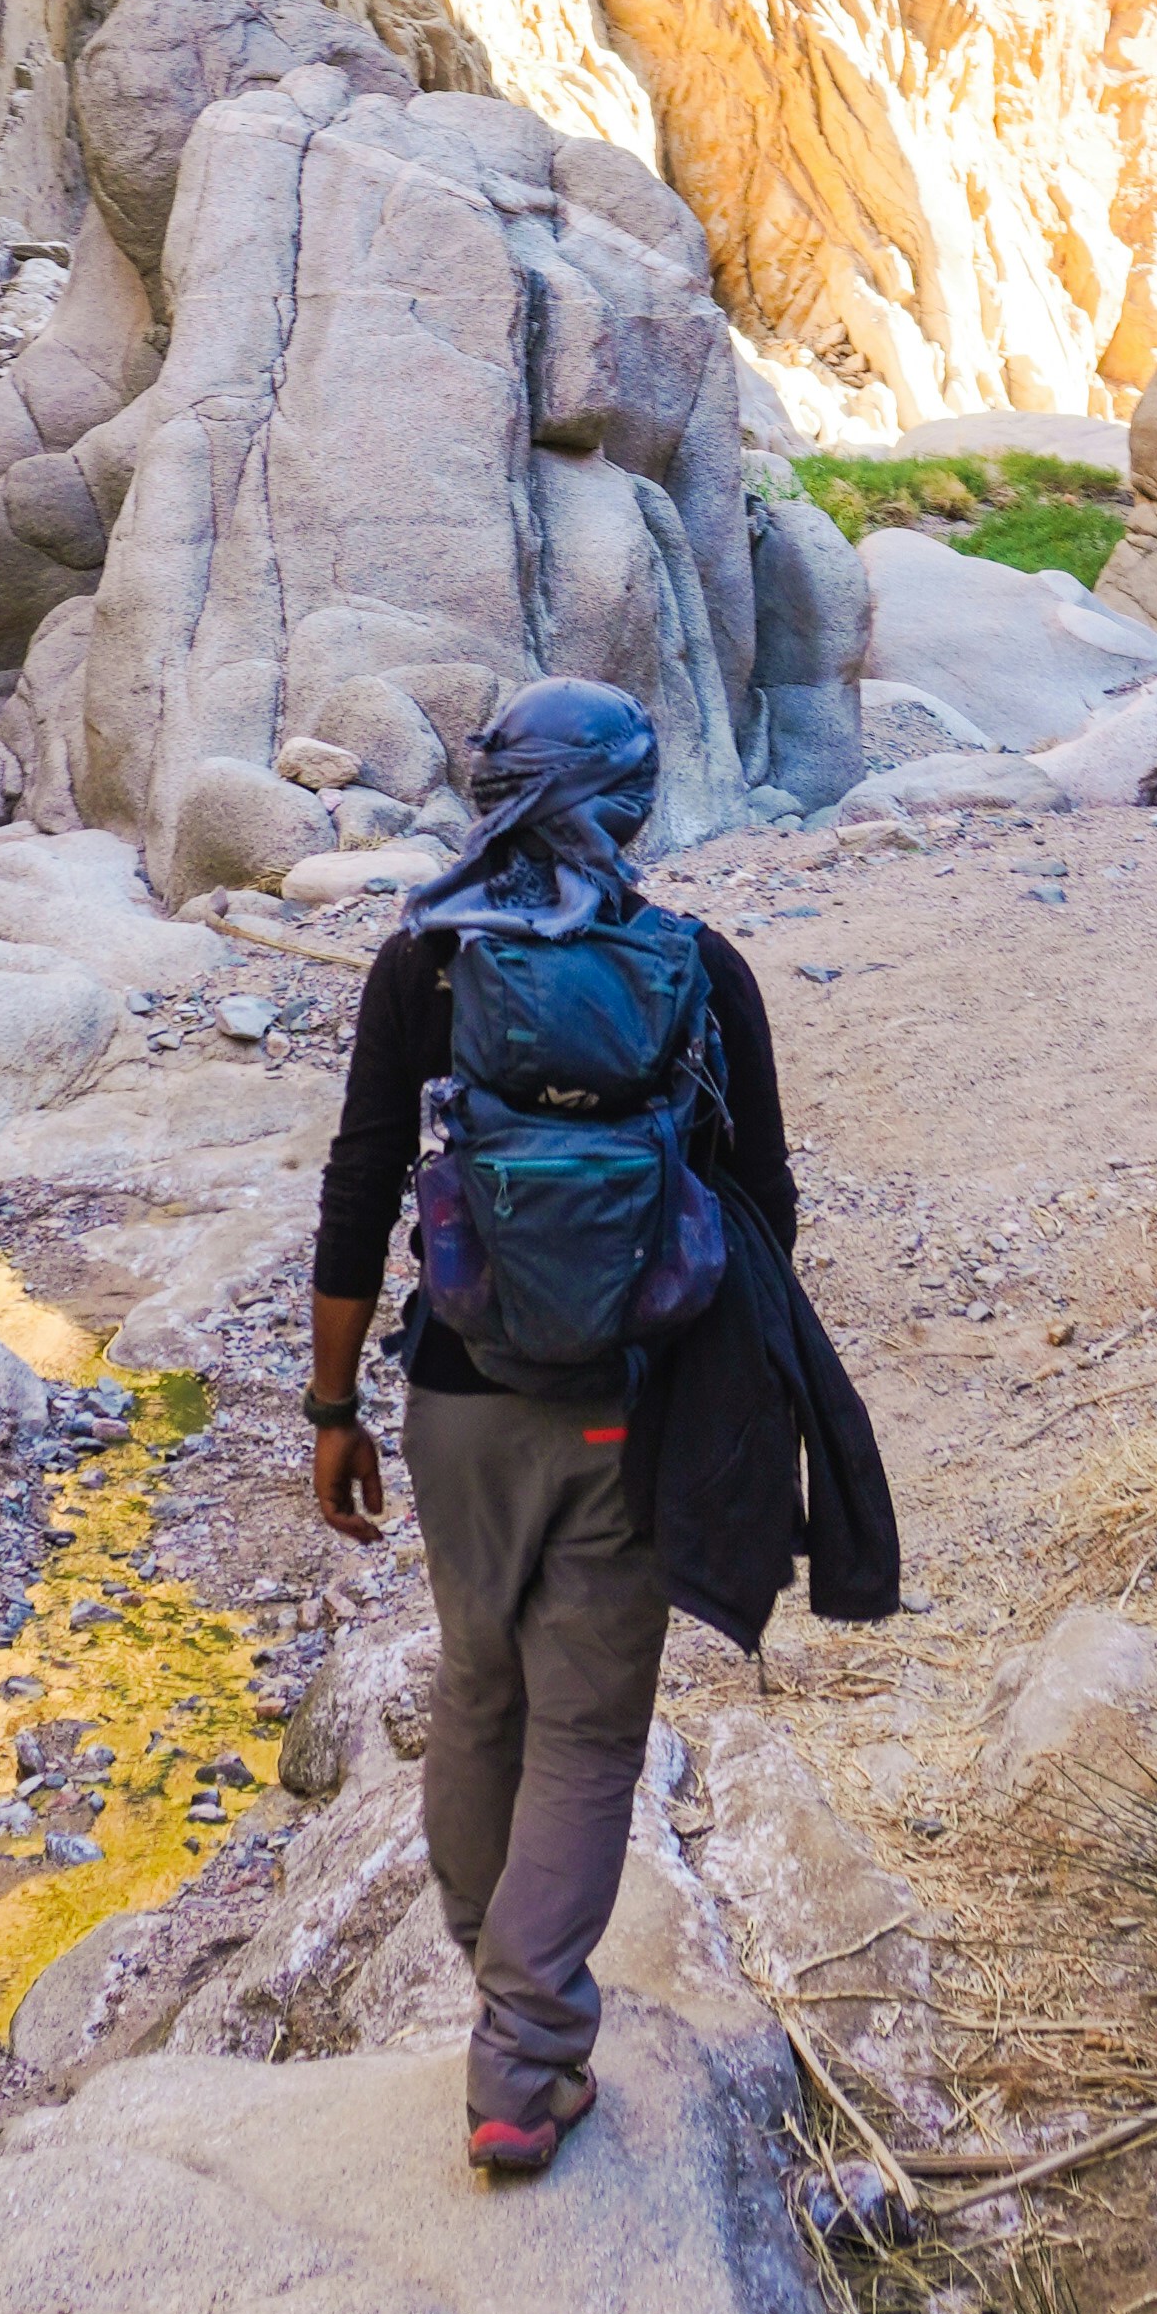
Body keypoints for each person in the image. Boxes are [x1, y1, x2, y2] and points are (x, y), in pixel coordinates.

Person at [306, 676, 891, 2180]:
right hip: (624, 1418)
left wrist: (332, 1406)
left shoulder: (427, 962)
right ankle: (521, 2061)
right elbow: (764, 1208)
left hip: (454, 1403)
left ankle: (496, 1972)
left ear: (493, 798)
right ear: (630, 809)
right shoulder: (698, 968)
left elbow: (361, 1186)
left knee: (476, 1684)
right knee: (582, 1733)